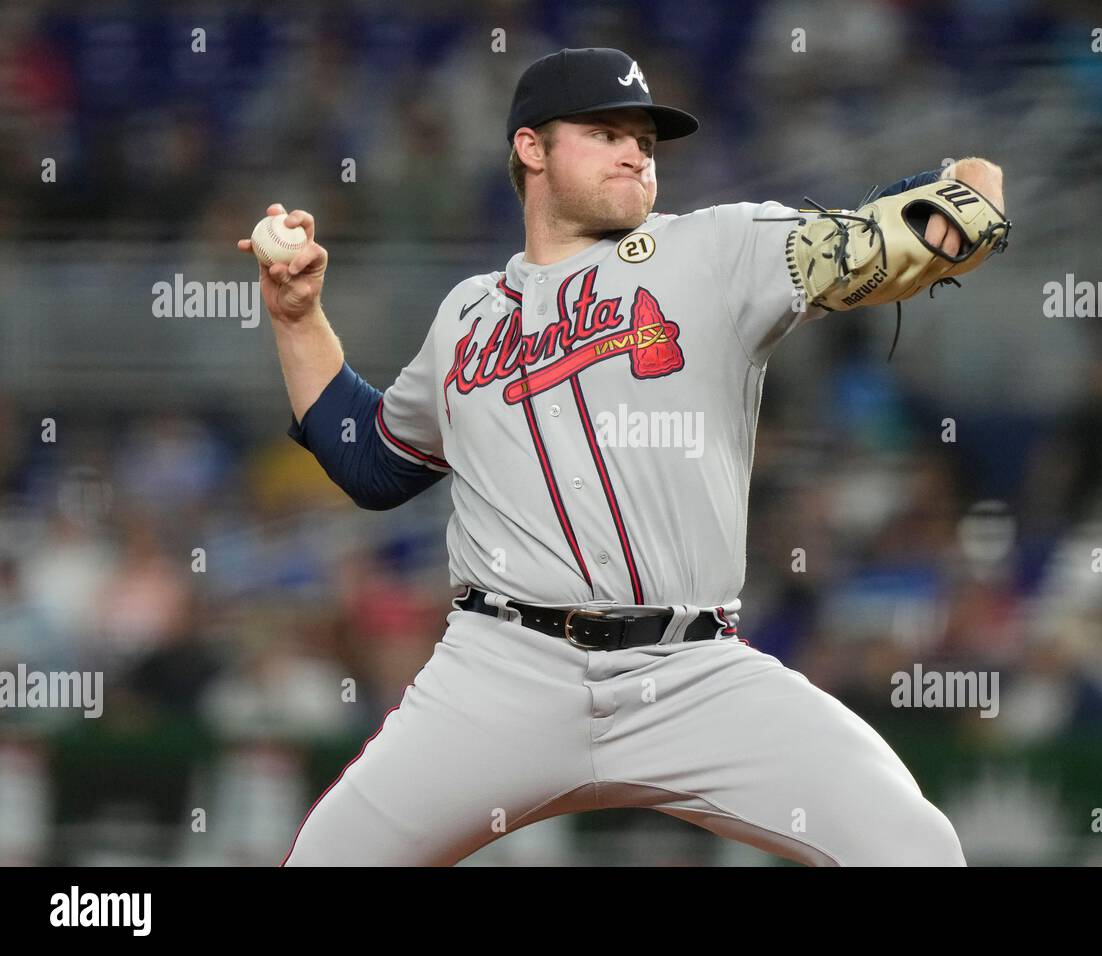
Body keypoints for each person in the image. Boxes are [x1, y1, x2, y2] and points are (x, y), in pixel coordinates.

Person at [238, 47, 1004, 866]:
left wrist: (968, 189)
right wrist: (297, 320)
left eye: (644, 136)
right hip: (501, 672)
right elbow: (375, 463)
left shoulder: (718, 249)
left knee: (915, 849)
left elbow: (893, 245)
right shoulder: (465, 315)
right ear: (530, 148)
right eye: (605, 132)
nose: (636, 151)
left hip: (691, 670)